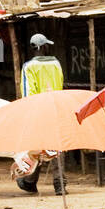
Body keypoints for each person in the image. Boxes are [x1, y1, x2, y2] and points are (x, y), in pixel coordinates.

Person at [16, 33, 66, 195]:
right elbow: (60, 84)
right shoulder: (56, 64)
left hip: (37, 109)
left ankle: (30, 180)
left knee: (36, 147)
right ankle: (60, 184)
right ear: (44, 47)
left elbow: (28, 91)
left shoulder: (28, 67)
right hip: (55, 107)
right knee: (56, 146)